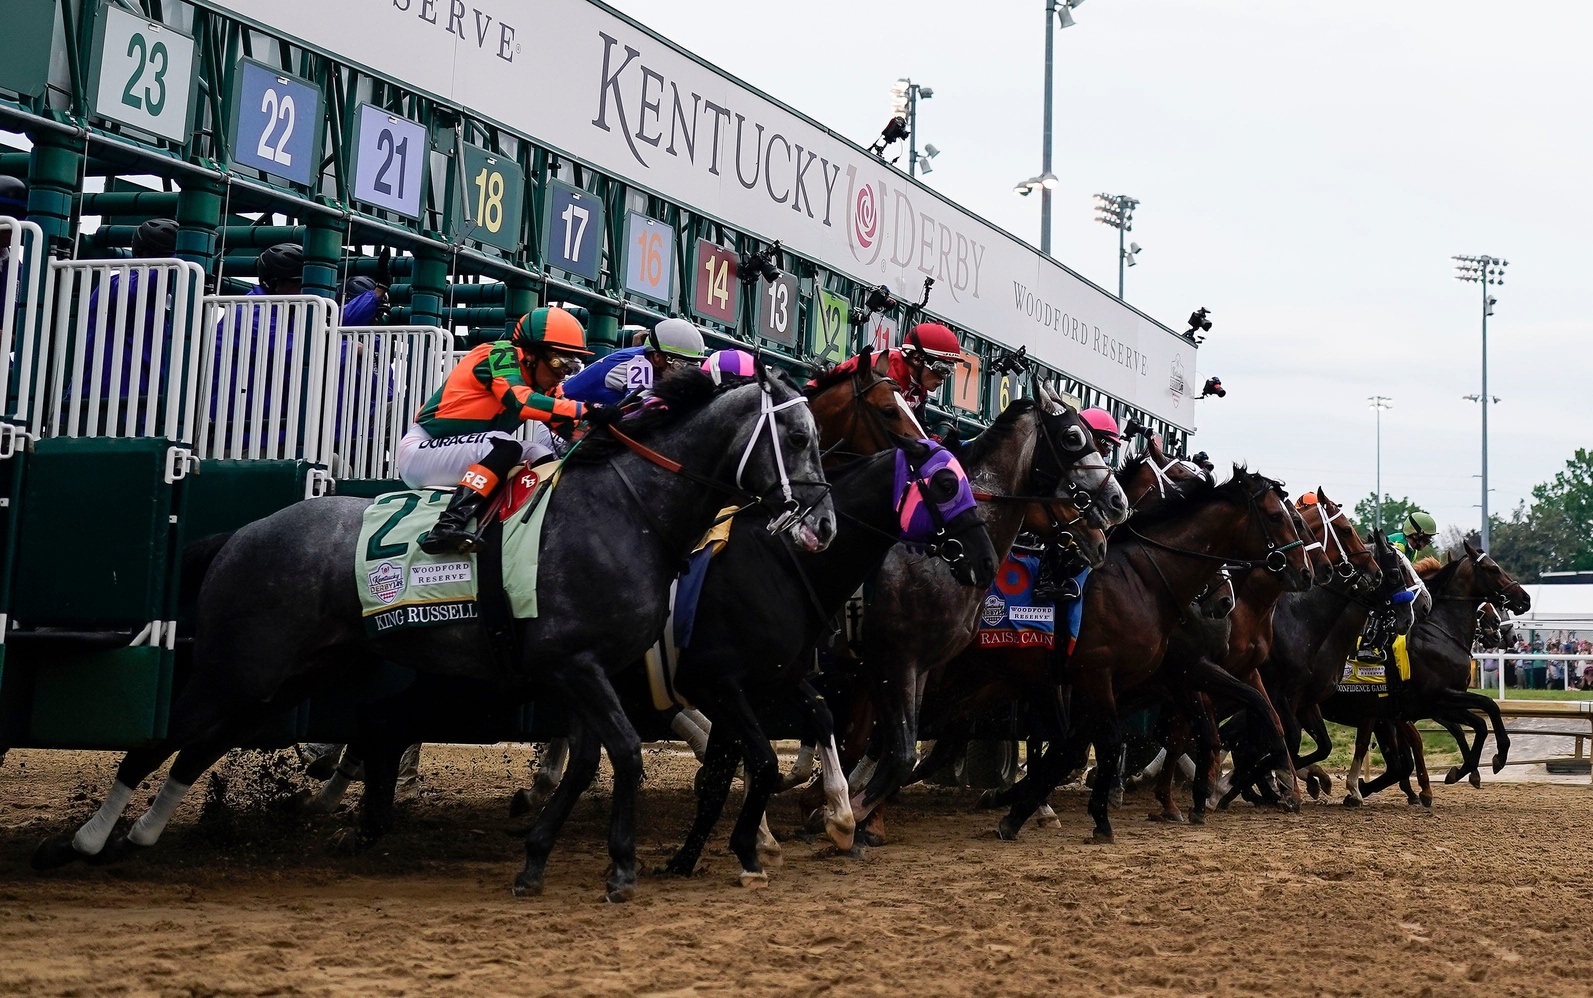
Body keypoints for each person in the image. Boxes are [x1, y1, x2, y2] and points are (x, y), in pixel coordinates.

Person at [397, 306, 594, 555]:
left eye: (572, 367)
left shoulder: (546, 385)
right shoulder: (500, 353)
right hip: (421, 450)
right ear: (531, 354)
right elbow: (519, 400)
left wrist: (614, 425)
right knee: (505, 445)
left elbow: (575, 432)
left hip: (466, 449)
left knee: (540, 454)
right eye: (559, 363)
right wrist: (585, 409)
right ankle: (446, 527)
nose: (562, 374)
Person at [83, 217, 181, 402]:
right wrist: (187, 254)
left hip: (144, 403)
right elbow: (149, 282)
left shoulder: (168, 300)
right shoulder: (119, 284)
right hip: (105, 403)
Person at [810, 321, 962, 423]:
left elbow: (916, 424)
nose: (944, 377)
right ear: (917, 358)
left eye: (950, 370)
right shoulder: (885, 371)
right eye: (941, 369)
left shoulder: (920, 379)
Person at [560, 316, 707, 405]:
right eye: (679, 365)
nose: (685, 374)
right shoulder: (639, 364)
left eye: (693, 367)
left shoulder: (648, 360)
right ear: (657, 356)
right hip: (560, 421)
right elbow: (643, 407)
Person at [1356, 511, 1439, 665]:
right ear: (1416, 535)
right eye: (1427, 539)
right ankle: (1367, 645)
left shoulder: (1413, 551)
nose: (1428, 542)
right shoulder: (1399, 545)